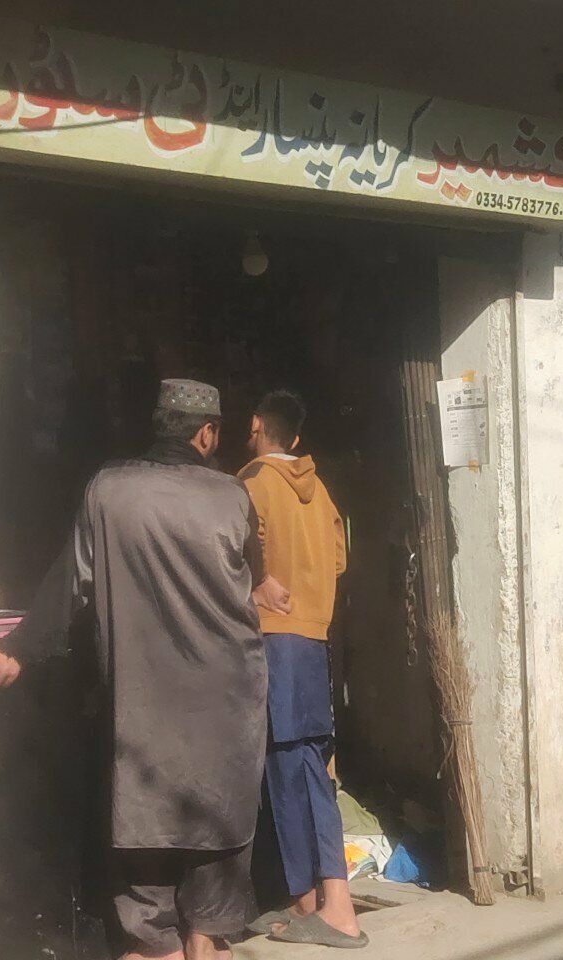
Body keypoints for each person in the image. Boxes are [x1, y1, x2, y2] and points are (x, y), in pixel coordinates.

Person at [0, 380, 290, 960]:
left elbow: (71, 583)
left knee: (146, 899)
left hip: (143, 723)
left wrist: (16, 648)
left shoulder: (109, 489)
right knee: (211, 904)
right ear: (206, 433)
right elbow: (257, 574)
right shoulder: (232, 495)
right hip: (229, 714)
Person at [239, 390, 367, 950]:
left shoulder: (252, 484)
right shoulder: (323, 492)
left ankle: (329, 905)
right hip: (315, 639)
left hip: (274, 639)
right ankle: (312, 903)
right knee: (312, 764)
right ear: (295, 437)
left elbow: (235, 556)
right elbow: (339, 560)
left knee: (291, 770)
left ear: (257, 426)